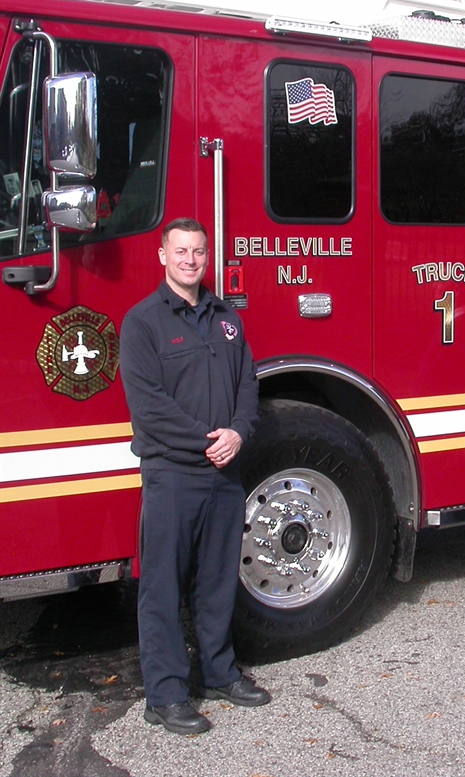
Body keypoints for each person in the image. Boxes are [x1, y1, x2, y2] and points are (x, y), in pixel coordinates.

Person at [120, 218, 268, 735]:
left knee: (217, 581)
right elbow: (149, 407)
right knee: (161, 586)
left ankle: (220, 673)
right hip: (173, 474)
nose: (190, 260)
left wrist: (240, 433)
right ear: (162, 256)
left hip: (225, 474)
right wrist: (210, 440)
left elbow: (248, 384)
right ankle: (164, 694)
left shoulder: (228, 319)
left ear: (209, 257)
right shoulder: (142, 322)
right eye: (180, 251)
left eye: (198, 251)